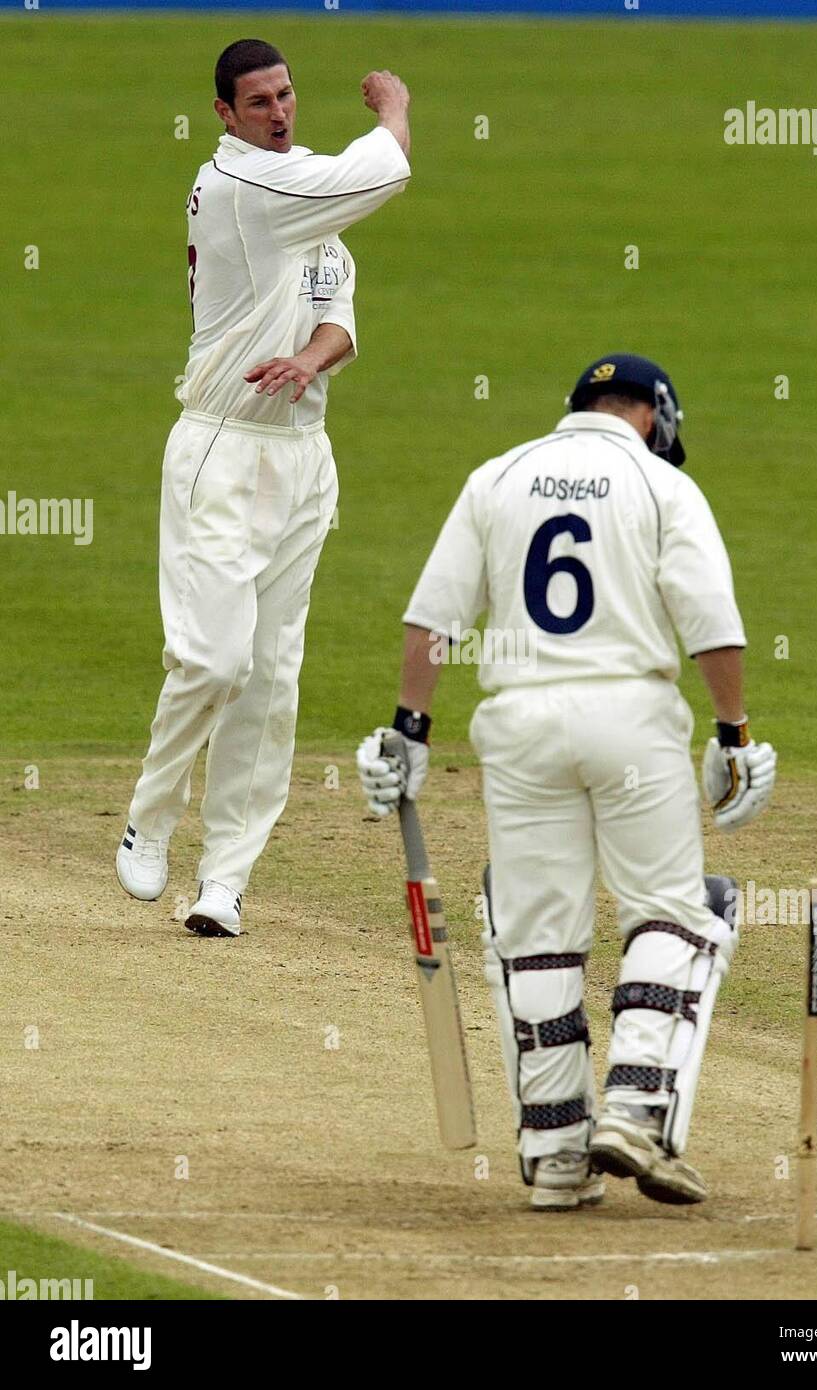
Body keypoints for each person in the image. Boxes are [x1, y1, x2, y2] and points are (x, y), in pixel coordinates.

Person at [357, 354, 777, 1210]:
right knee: (674, 908)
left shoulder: (498, 476)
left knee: (537, 931)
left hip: (519, 727)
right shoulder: (662, 489)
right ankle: (632, 1104)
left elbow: (431, 622)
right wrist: (734, 734)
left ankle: (555, 1151)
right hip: (630, 719)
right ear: (654, 418)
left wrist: (409, 728)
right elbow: (714, 627)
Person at [115, 40, 411, 937]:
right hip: (222, 447)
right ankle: (150, 816)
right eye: (258, 102)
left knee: (272, 678)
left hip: (301, 456)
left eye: (286, 95)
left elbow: (338, 317)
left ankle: (225, 880)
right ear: (225, 117)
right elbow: (382, 171)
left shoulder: (300, 201)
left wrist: (308, 358)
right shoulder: (249, 188)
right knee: (214, 659)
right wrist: (393, 107)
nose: (279, 112)